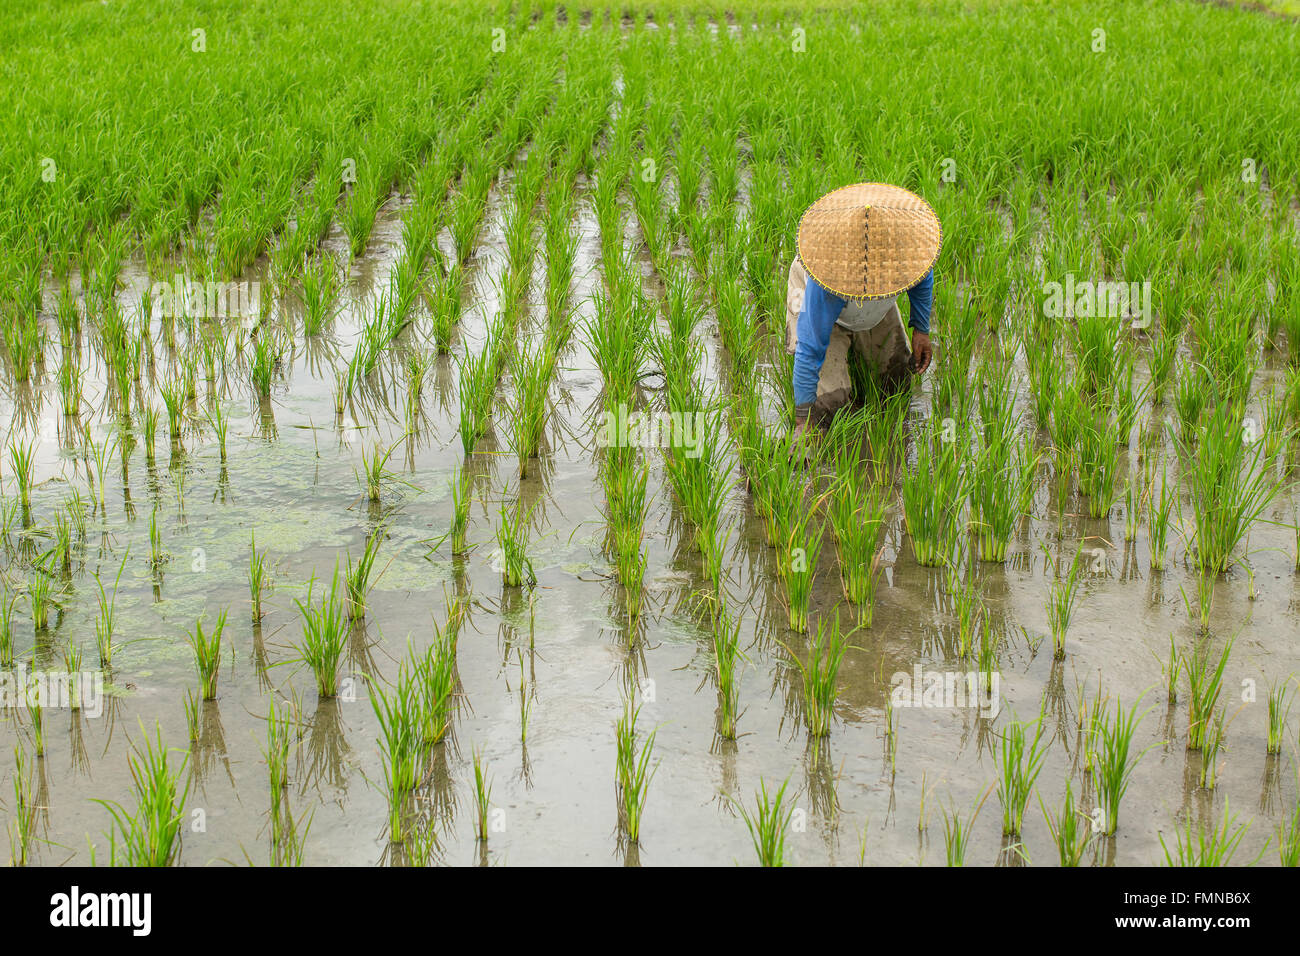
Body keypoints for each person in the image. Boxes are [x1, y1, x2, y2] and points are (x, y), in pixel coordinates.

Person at [785, 182, 941, 443]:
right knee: (831, 407)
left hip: (874, 309)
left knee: (896, 384)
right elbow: (810, 349)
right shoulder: (827, 280)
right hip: (829, 310)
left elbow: (923, 279)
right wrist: (804, 419)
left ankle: (863, 337)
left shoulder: (906, 253)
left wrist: (921, 330)